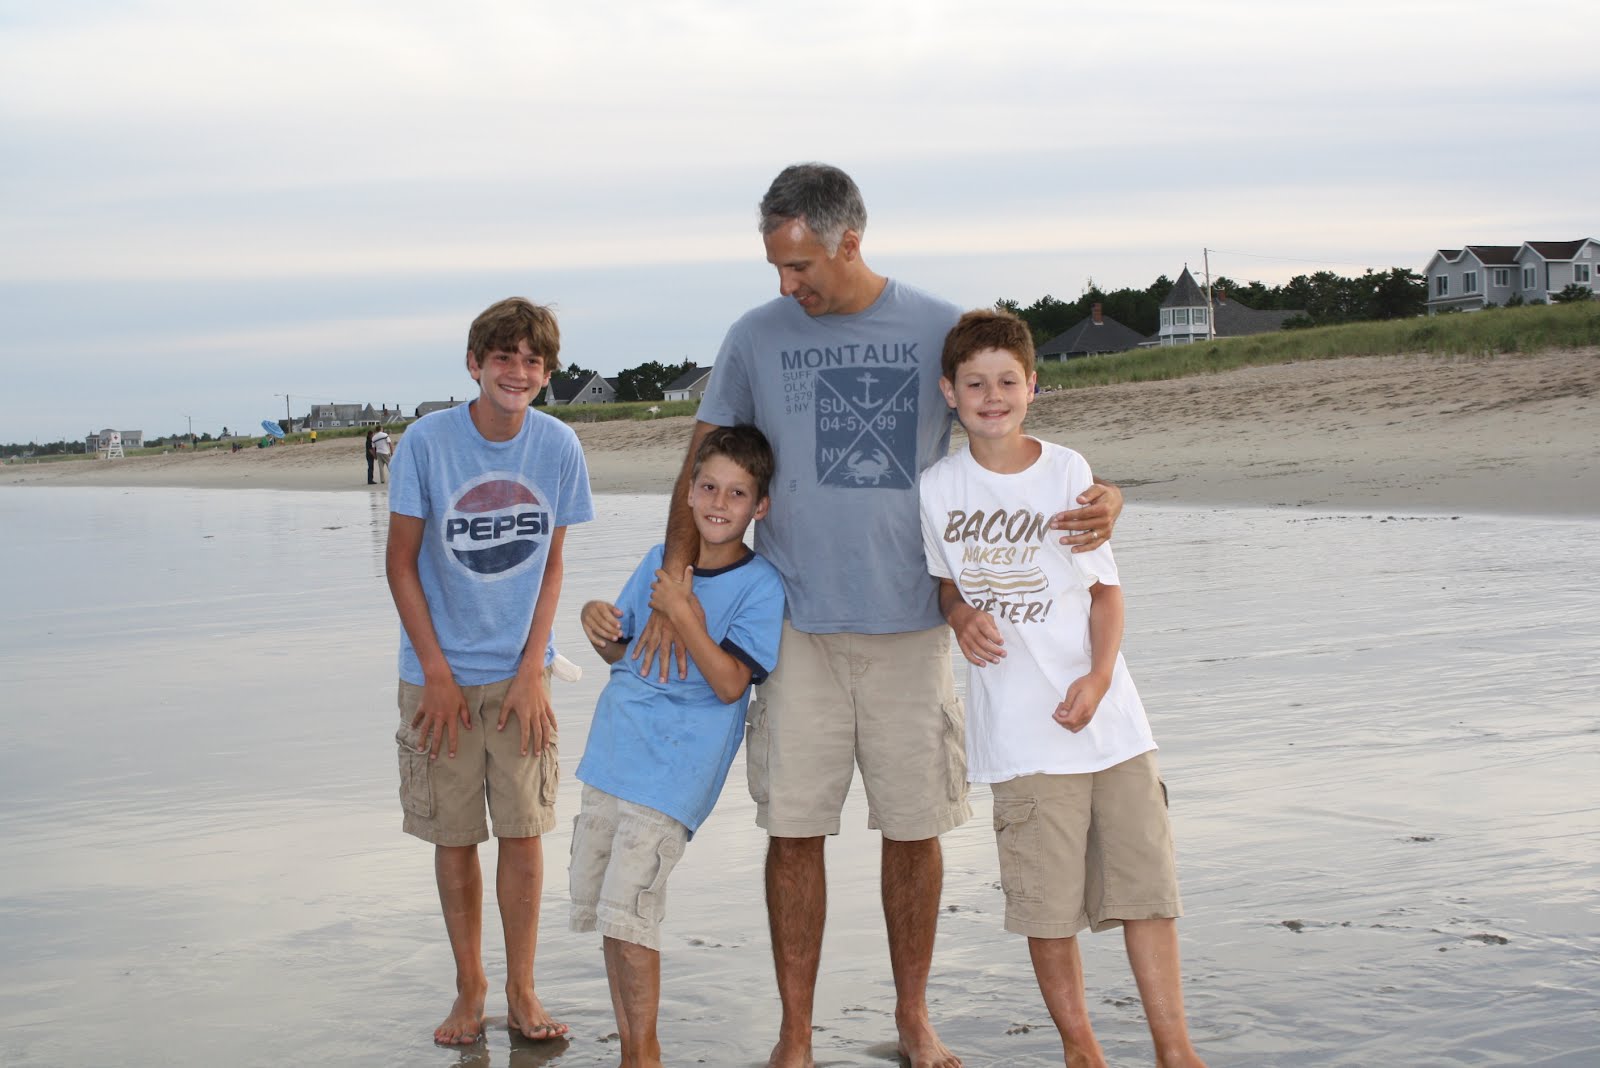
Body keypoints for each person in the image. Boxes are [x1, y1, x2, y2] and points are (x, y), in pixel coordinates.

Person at [639, 163, 1125, 1068]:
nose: (788, 287)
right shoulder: (754, 335)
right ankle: (795, 1035)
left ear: (849, 241)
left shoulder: (940, 327)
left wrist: (1107, 495)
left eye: (800, 267)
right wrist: (674, 583)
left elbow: (1011, 440)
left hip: (913, 625)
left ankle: (913, 1017)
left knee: (913, 828)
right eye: (777, 268)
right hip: (795, 626)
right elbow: (701, 460)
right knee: (793, 831)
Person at [918, 310, 1206, 1068]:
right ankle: (1083, 1050)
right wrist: (957, 615)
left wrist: (1100, 676)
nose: (992, 395)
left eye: (1007, 381)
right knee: (1046, 907)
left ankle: (1175, 1049)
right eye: (975, 383)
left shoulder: (1069, 471)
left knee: (1146, 890)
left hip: (1110, 725)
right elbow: (944, 583)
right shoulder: (938, 488)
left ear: (1033, 387)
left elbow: (1106, 594)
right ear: (949, 393)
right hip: (1019, 734)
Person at [385, 296, 594, 1046]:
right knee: (454, 837)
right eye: (502, 357)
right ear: (475, 365)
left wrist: (534, 668)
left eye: (532, 361)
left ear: (546, 373)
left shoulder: (559, 446)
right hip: (437, 676)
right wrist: (435, 672)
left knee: (525, 830)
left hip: (519, 679)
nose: (517, 371)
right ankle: (470, 987)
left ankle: (522, 990)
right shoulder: (425, 443)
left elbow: (552, 567)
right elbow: (401, 565)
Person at [572, 425, 785, 1068]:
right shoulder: (661, 565)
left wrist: (687, 613)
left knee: (635, 913)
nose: (721, 502)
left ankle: (645, 1054)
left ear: (760, 507)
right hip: (614, 752)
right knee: (610, 913)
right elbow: (625, 650)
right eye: (709, 487)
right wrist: (595, 622)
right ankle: (631, 1047)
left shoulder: (760, 585)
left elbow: (728, 685)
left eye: (738, 493)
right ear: (688, 493)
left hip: (672, 772)